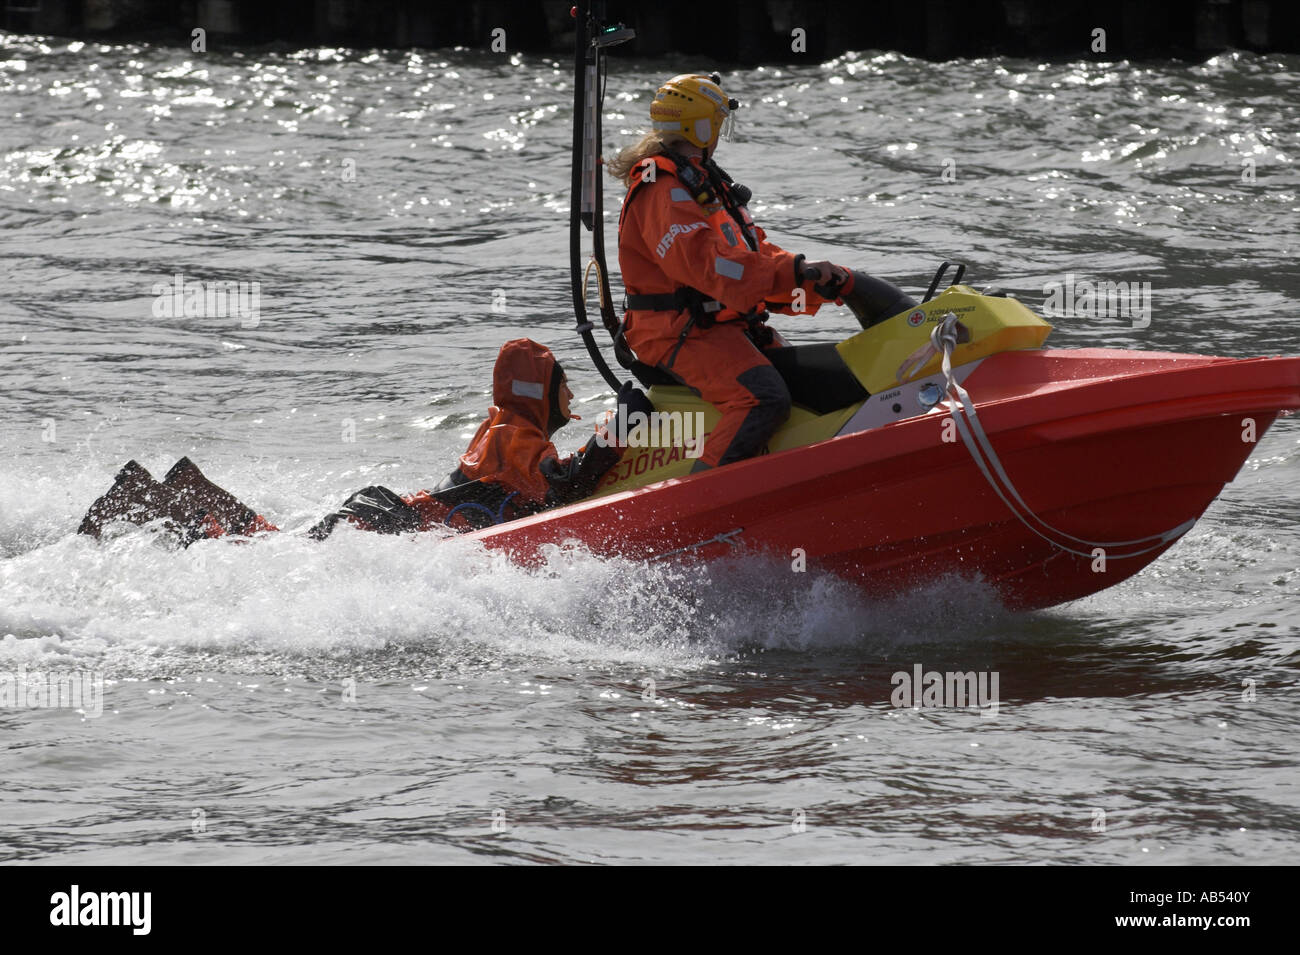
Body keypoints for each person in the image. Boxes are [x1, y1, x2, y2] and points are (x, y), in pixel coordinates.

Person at [78, 338, 648, 544]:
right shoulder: (516, 434)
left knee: (266, 544)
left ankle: (183, 488)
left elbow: (541, 483)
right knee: (261, 549)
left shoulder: (507, 428)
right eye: (565, 388)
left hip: (391, 516)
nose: (572, 400)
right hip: (387, 525)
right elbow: (558, 492)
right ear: (542, 393)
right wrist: (623, 426)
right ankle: (161, 494)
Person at [608, 72, 859, 471]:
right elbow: (707, 266)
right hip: (675, 331)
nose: (721, 133)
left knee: (816, 382)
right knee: (762, 397)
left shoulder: (703, 182)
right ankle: (698, 502)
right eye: (719, 122)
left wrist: (816, 282)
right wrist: (793, 273)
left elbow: (751, 251)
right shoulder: (662, 185)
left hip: (720, 324)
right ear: (702, 126)